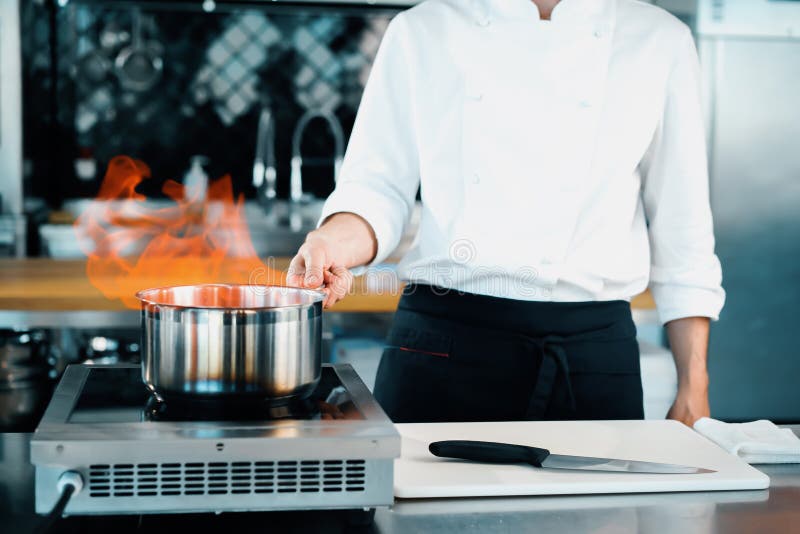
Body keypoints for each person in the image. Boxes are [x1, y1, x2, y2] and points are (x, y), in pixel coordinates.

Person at [287, 0, 725, 426]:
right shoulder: (422, 29)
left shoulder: (659, 39)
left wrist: (695, 385)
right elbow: (376, 189)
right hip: (443, 345)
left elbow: (682, 230)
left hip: (590, 359)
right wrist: (330, 243)